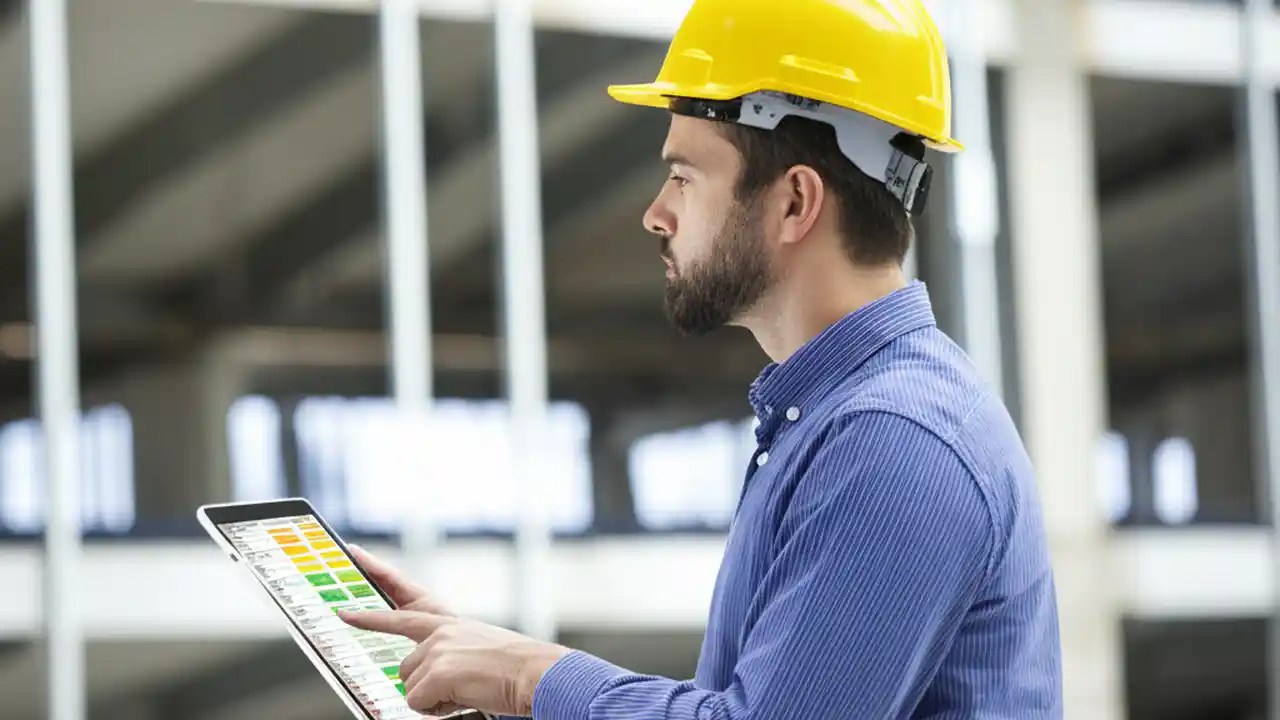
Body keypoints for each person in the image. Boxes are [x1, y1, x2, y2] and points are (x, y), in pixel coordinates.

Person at [340, 0, 1063, 717]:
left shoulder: (897, 441)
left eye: (684, 176)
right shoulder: (837, 422)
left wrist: (529, 676)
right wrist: (482, 665)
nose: (657, 212)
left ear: (795, 203)